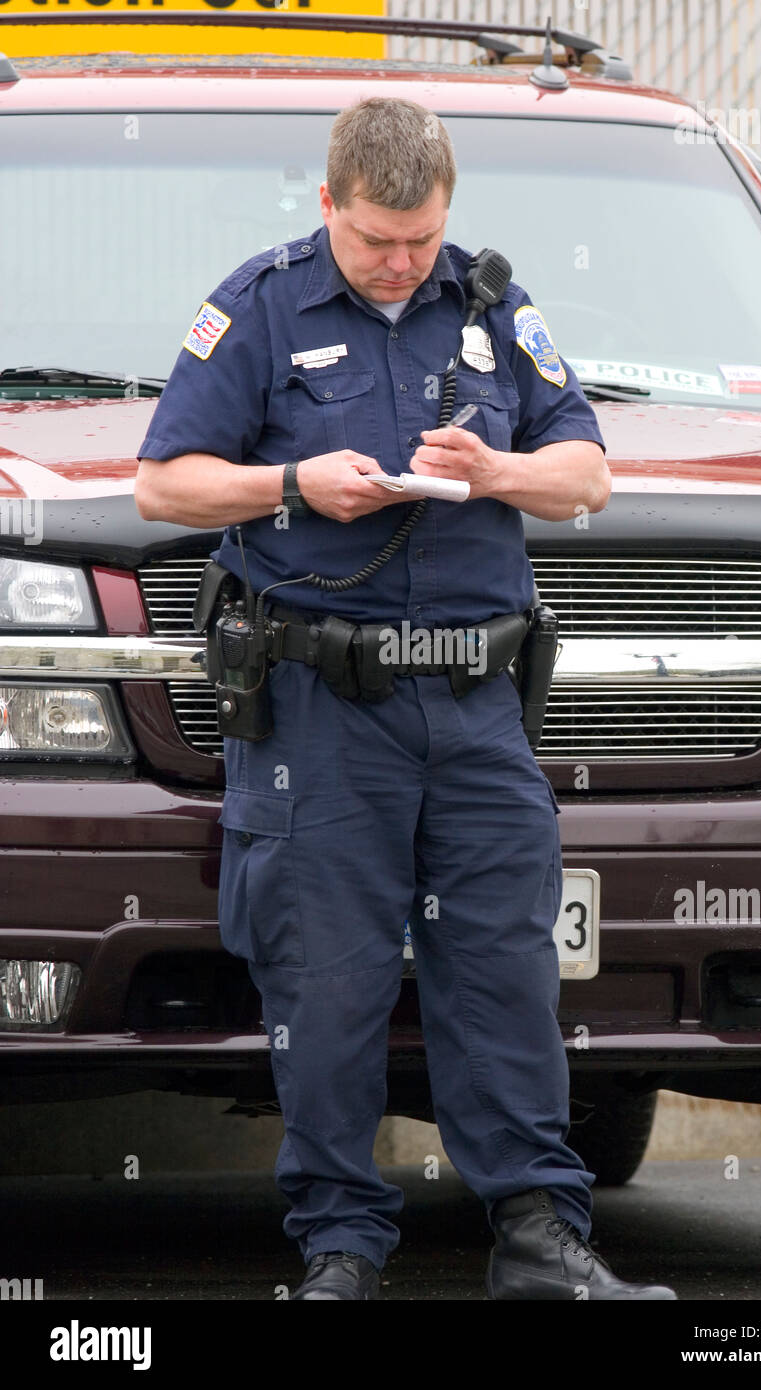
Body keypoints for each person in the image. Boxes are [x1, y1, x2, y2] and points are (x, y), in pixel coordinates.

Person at [135, 96, 676, 1301]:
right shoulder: (263, 306)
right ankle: (340, 1250)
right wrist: (291, 482)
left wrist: (496, 469)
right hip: (323, 711)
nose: (401, 262)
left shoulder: (487, 301)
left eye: (421, 238)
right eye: (378, 238)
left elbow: (584, 469)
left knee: (503, 973)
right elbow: (162, 488)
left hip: (477, 711)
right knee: (323, 981)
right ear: (326, 203)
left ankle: (538, 1239)